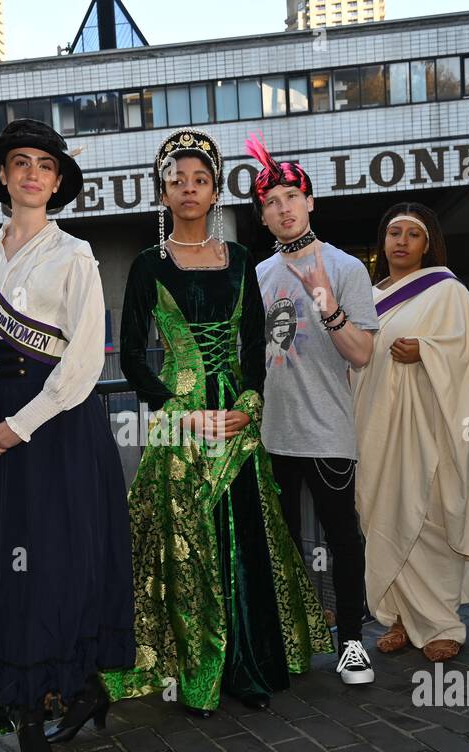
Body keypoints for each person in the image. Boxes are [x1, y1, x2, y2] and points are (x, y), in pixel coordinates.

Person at [105, 128, 331, 717]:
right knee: (191, 546)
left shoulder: (244, 262)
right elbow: (131, 355)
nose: (188, 189)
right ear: (163, 193)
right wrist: (182, 412)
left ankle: (251, 662)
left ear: (214, 194)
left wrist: (248, 404)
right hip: (184, 422)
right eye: (177, 181)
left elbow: (254, 347)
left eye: (199, 181)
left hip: (235, 418)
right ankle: (199, 668)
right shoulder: (147, 266)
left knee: (248, 535)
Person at [0, 119, 134, 752]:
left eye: (44, 166)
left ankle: (83, 687)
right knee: (4, 573)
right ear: (1, 175)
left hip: (56, 427)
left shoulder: (75, 254)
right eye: (19, 162)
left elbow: (84, 362)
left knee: (63, 564)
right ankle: (28, 715)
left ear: (58, 183)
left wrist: (19, 425)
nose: (31, 173)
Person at [246, 133, 378, 686]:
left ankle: (351, 642)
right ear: (264, 215)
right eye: (271, 202)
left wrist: (326, 304)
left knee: (342, 537)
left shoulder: (346, 268)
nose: (283, 208)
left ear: (310, 202)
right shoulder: (258, 277)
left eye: (290, 198)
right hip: (272, 432)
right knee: (281, 543)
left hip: (326, 429)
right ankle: (291, 638)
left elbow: (364, 353)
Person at [354, 202, 469, 663]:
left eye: (411, 235)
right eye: (393, 232)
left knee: (428, 518)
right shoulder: (369, 296)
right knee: (382, 518)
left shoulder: (447, 291)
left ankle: (441, 625)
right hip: (376, 427)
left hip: (428, 428)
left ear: (427, 244)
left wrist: (427, 350)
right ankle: (398, 616)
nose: (400, 241)